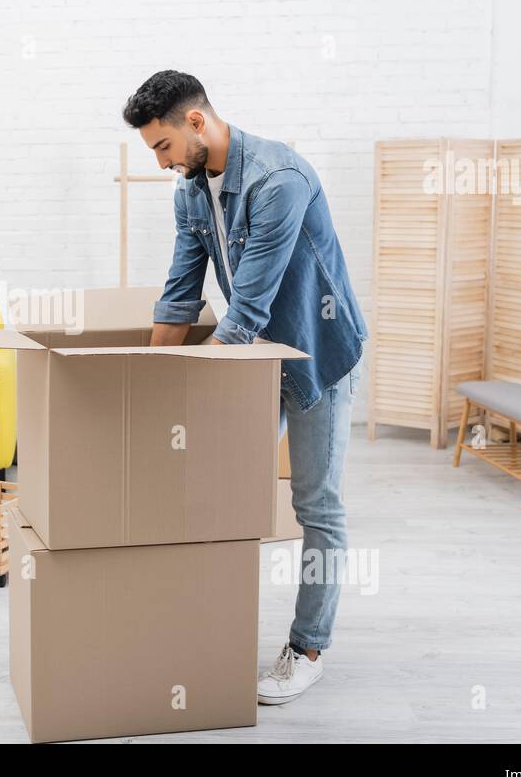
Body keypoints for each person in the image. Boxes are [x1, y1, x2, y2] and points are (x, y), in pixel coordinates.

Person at [123, 70, 367, 705]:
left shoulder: (278, 180)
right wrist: (148, 382)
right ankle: (210, 631)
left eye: (163, 146)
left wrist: (188, 393)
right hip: (255, 361)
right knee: (219, 492)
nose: (161, 161)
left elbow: (246, 311)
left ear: (197, 123)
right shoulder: (190, 190)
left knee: (317, 507)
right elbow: (180, 294)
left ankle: (307, 647)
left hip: (316, 358)